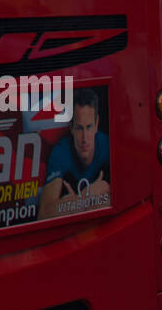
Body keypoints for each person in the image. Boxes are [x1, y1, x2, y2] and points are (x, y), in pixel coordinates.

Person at [37, 89, 110, 219]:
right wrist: (86, 197)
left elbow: (126, 197)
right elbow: (44, 214)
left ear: (96, 124)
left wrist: (71, 205)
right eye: (79, 128)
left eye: (89, 127)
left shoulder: (107, 146)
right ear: (71, 127)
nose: (84, 138)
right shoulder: (61, 152)